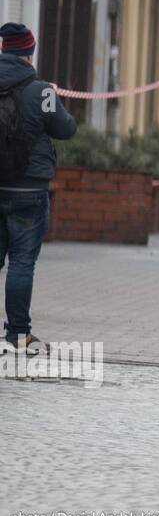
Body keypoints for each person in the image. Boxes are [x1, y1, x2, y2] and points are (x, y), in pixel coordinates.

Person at [0, 23, 77, 355]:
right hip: (28, 190)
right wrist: (52, 96)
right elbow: (66, 128)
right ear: (29, 52)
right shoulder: (42, 91)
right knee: (21, 262)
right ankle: (17, 335)